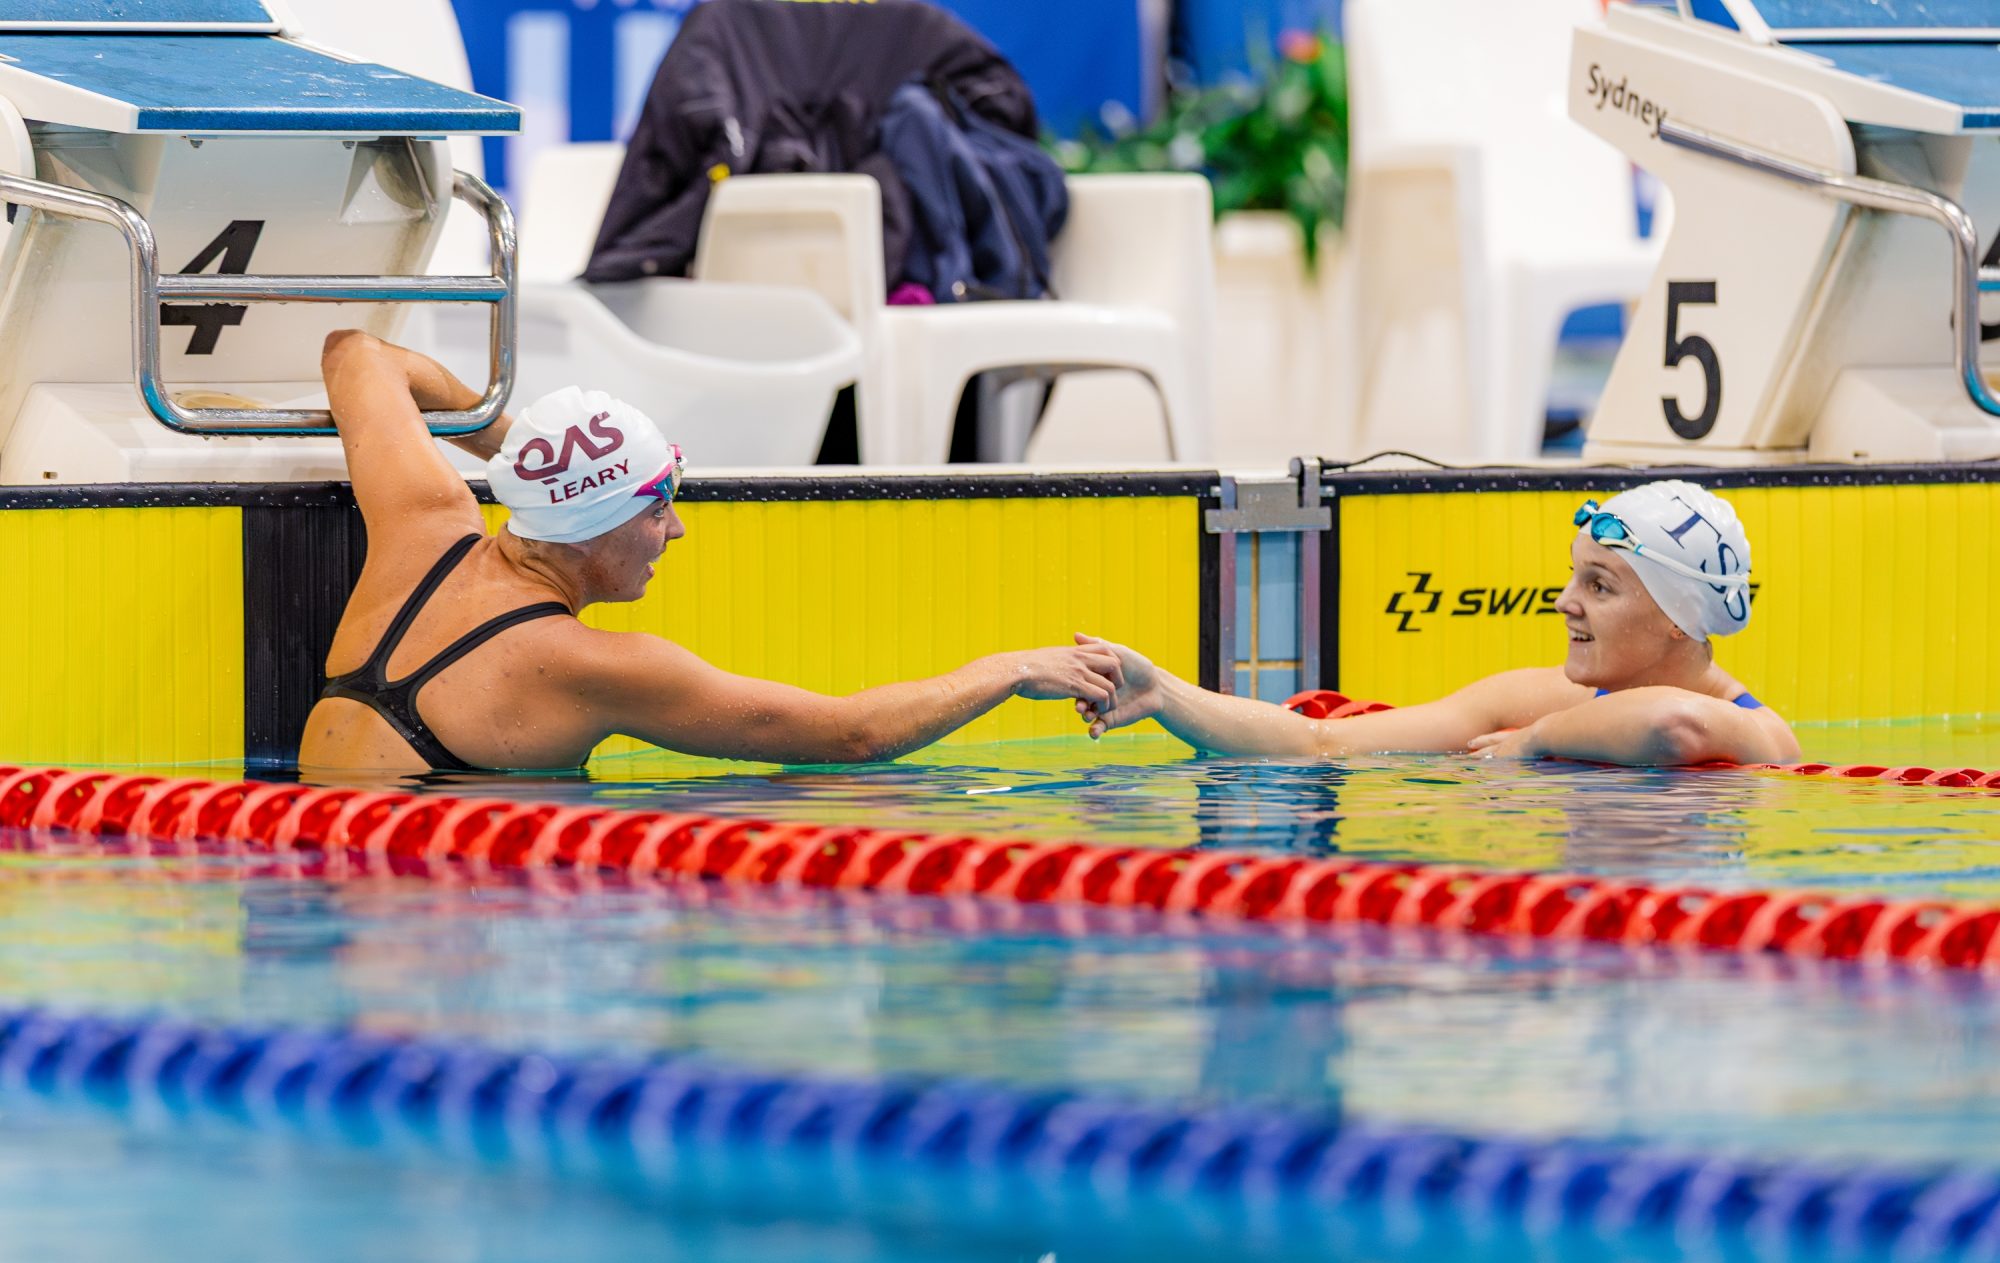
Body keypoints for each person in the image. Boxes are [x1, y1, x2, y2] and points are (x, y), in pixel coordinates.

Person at [298, 331, 1122, 774]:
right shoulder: (590, 663)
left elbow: (355, 354)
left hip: (315, 870)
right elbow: (851, 737)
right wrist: (1012, 669)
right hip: (416, 926)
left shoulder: (422, 522)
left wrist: (540, 463)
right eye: (658, 509)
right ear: (594, 526)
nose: (678, 531)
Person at [1077, 480, 1800, 767]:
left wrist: (1537, 743)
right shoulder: (1549, 697)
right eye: (1573, 575)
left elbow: (1678, 727)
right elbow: (1322, 740)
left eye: (1599, 585)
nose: (1563, 601)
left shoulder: (1762, 735)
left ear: (1679, 621)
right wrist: (1166, 695)